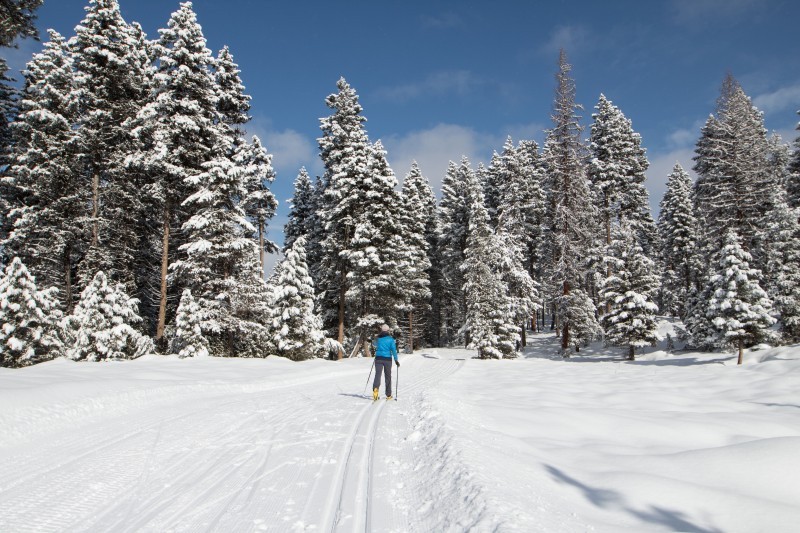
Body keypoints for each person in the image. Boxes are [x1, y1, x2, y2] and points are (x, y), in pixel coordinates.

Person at [372, 323, 399, 400]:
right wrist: (396, 360)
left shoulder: (378, 338)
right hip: (387, 359)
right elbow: (393, 350)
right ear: (388, 330)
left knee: (378, 375)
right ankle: (388, 394)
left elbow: (374, 344)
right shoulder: (391, 339)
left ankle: (375, 390)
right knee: (388, 376)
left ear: (382, 330)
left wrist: (374, 338)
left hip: (378, 358)